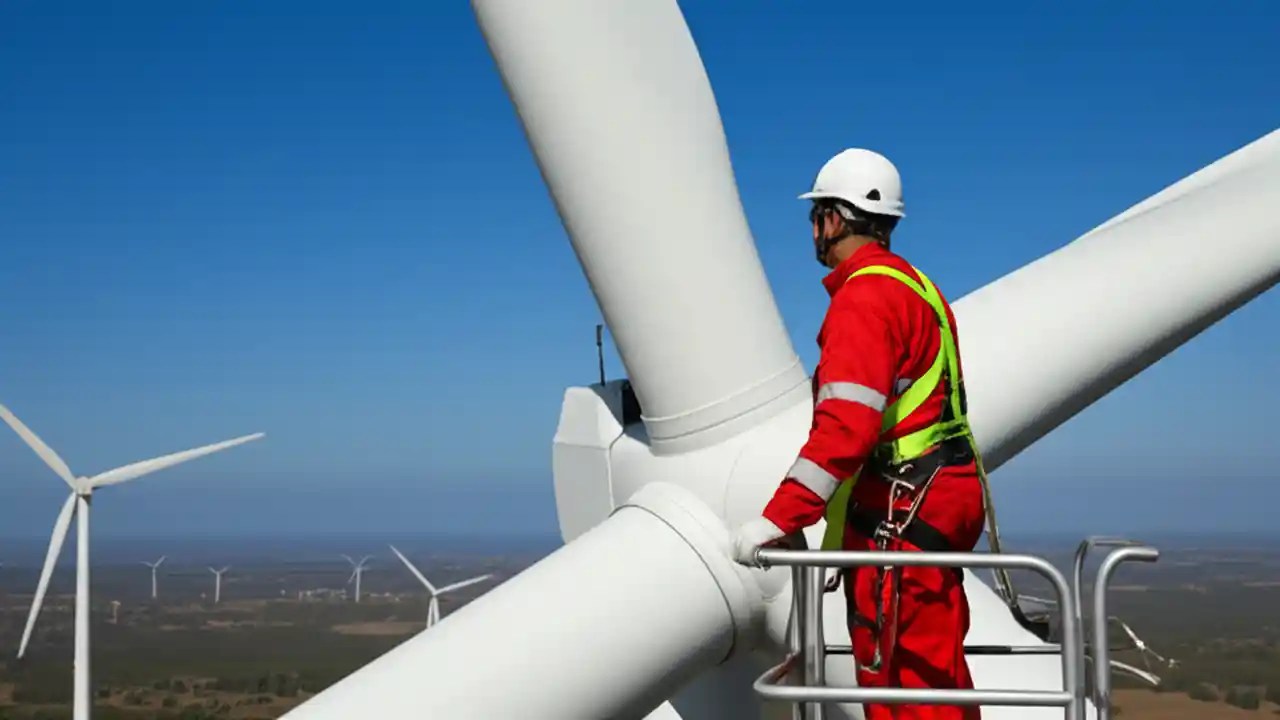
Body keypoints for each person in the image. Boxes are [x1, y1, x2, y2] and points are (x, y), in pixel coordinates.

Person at [732, 148, 984, 720]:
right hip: (941, 495)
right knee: (935, 665)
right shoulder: (918, 289)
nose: (814, 229)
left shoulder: (863, 300)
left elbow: (845, 430)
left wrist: (778, 520)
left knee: (900, 673)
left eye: (816, 215)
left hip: (903, 509)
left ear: (835, 220)